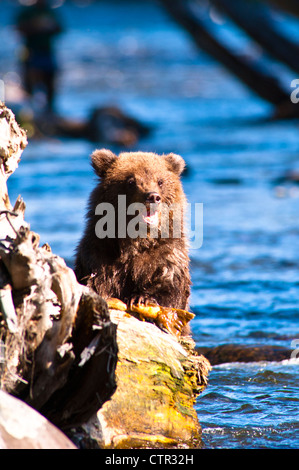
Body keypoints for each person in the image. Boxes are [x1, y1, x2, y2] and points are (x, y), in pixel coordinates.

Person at [16, 0, 63, 112]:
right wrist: (35, 26)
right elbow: (19, 28)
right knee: (30, 81)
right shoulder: (28, 12)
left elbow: (60, 29)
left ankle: (50, 111)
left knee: (50, 81)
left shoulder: (50, 12)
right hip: (31, 51)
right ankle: (29, 110)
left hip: (47, 51)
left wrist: (49, 27)